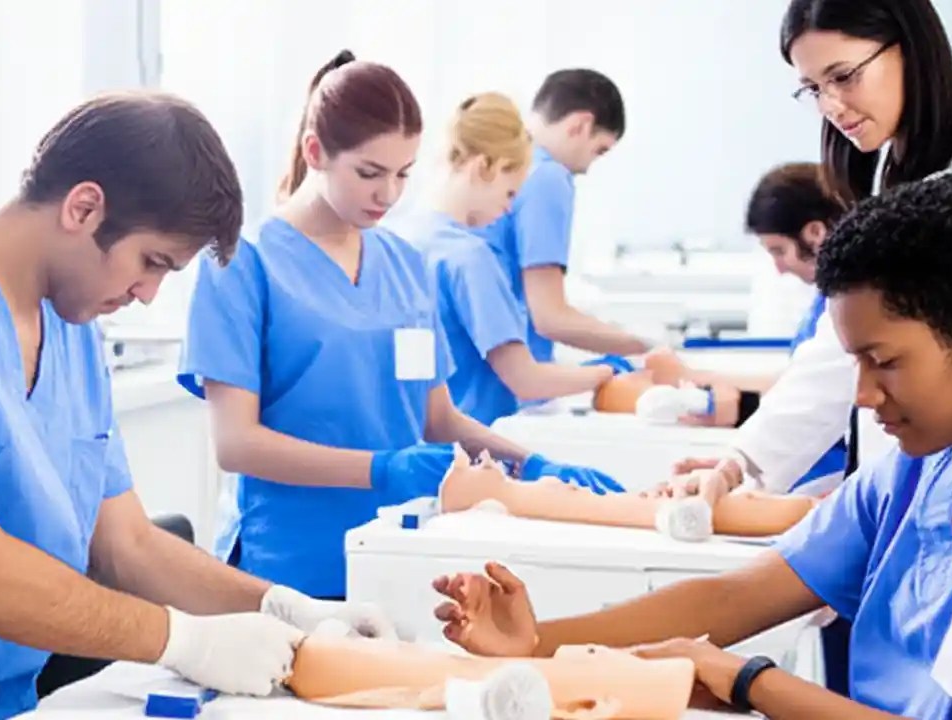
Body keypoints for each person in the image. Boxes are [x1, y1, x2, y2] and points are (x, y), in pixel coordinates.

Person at [0, 91, 404, 720]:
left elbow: (126, 544)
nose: (146, 294)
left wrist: (281, 606)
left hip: (5, 700)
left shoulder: (74, 333)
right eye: (151, 262)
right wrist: (181, 639)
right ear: (83, 208)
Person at [434, 176, 952, 719]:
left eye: (885, 362)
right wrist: (537, 640)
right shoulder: (915, 474)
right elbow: (732, 597)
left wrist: (750, 681)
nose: (865, 396)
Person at [178, 51, 621, 604]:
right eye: (369, 173)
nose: (387, 194)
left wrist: (529, 463)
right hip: (286, 567)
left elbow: (436, 418)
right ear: (315, 152)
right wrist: (382, 469)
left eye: (403, 175)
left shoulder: (404, 264)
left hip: (394, 555)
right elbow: (236, 444)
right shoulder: (244, 262)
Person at [669, 0, 952, 502]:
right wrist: (741, 463)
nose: (831, 106)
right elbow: (843, 349)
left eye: (843, 77)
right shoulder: (893, 168)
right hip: (908, 490)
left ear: (910, 48)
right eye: (814, 89)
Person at [391, 92, 619, 426]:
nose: (509, 208)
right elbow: (526, 380)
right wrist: (607, 371)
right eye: (510, 192)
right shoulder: (471, 258)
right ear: (484, 167)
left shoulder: (401, 236)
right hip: (476, 446)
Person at [666, 163, 848, 492]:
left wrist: (739, 447)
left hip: (821, 469)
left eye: (779, 251)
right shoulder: (828, 301)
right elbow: (806, 383)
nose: (778, 269)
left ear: (816, 233)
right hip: (800, 460)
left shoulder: (850, 301)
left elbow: (825, 392)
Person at [478, 68, 649, 365]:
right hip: (509, 387)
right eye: (599, 151)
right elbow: (549, 316)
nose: (588, 167)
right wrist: (644, 344)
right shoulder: (548, 177)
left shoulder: (500, 164)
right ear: (581, 125)